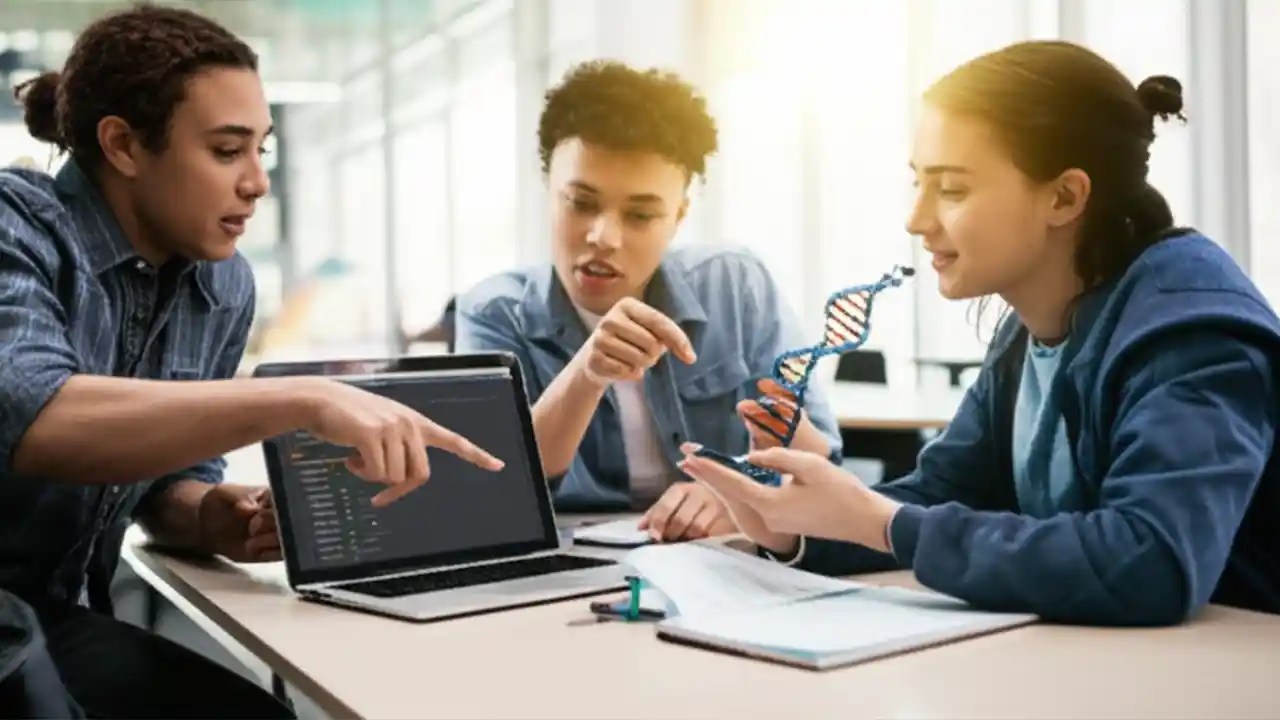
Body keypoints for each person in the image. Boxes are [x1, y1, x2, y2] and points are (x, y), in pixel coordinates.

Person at [0, 6, 502, 717]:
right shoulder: (15, 227)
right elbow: (39, 418)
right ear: (122, 145)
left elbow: (164, 492)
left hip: (56, 616)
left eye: (260, 150)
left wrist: (214, 518)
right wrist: (301, 400)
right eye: (227, 150)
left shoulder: (221, 284)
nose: (258, 182)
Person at [680, 40, 1280, 626]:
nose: (916, 220)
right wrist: (799, 526)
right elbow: (944, 495)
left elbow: (1151, 562)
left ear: (1066, 196)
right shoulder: (1030, 331)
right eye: (918, 182)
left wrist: (880, 524)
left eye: (952, 188)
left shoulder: (1193, 334)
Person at [454, 60, 841, 542]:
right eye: (580, 203)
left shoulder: (736, 286)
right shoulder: (494, 311)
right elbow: (494, 487)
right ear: (548, 190)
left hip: (726, 558)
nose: (603, 237)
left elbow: (822, 458)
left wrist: (736, 490)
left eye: (640, 215)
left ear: (678, 216)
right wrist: (587, 374)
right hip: (570, 570)